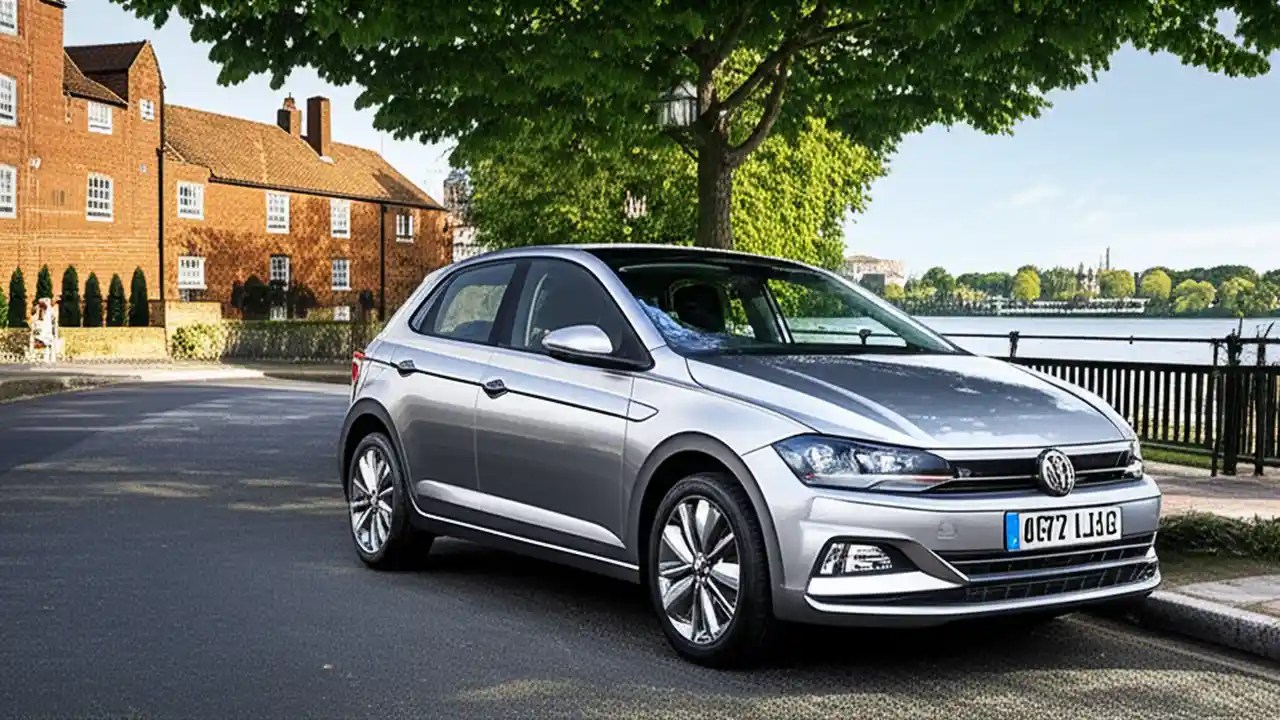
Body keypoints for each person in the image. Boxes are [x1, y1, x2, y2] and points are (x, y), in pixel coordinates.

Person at [29, 298, 59, 363]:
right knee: (47, 343)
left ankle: (48, 358)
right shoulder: (39, 312)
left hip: (46, 333)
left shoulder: (48, 311)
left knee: (49, 344)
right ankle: (36, 357)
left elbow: (53, 319)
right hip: (42, 333)